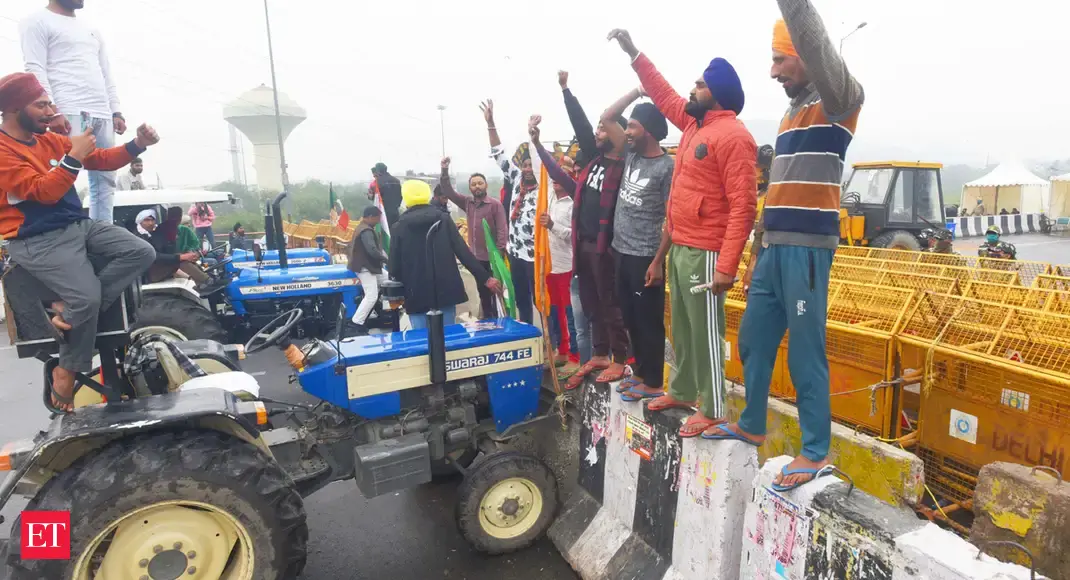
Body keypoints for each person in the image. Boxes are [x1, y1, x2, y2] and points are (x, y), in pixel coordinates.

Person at [713, 3, 866, 492]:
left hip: (806, 251)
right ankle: (751, 423)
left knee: (804, 351)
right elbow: (778, 189)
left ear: (803, 53)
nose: (773, 71)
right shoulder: (789, 112)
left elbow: (814, 38)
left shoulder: (841, 98)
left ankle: (815, 450)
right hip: (774, 248)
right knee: (754, 339)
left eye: (780, 59)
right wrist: (757, 250)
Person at [609, 29, 757, 437]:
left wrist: (726, 266)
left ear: (718, 94)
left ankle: (713, 408)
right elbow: (662, 93)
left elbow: (744, 206)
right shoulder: (694, 124)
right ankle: (683, 391)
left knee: (706, 332)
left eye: (701, 84)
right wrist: (634, 53)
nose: (693, 89)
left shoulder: (734, 137)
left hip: (707, 252)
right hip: (681, 245)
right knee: (685, 330)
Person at [0, 71, 157, 411]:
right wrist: (73, 158)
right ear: (14, 108)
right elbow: (42, 191)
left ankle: (70, 310)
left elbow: (101, 159)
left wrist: (137, 144)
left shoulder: (48, 140)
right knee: (86, 299)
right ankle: (65, 371)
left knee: (140, 251)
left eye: (49, 104)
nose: (50, 111)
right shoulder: (3, 151)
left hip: (77, 226)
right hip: (37, 240)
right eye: (41, 105)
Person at [553, 72, 633, 387]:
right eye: (598, 128)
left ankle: (620, 358)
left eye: (604, 128)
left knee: (611, 303)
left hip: (607, 246)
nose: (598, 132)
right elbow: (581, 125)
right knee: (591, 303)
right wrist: (566, 90)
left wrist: (637, 91)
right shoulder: (594, 159)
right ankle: (599, 353)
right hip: (584, 244)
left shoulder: (624, 162)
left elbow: (598, 123)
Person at [20, 0, 126, 223]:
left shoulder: (92, 29)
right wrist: (52, 110)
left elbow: (105, 71)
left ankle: (102, 232)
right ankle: (63, 232)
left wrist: (115, 110)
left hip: (102, 112)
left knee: (105, 179)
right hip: (68, 110)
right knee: (63, 174)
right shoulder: (37, 21)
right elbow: (34, 67)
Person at [603, 102, 675, 401]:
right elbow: (607, 117)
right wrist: (636, 91)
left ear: (649, 130)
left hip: (645, 256)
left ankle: (654, 382)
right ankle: (641, 374)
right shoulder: (631, 154)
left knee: (648, 321)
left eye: (633, 126)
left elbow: (673, 218)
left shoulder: (667, 167)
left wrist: (658, 261)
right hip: (621, 251)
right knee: (631, 318)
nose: (627, 131)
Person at [388, 180, 503, 329]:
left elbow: (394, 264)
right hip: (445, 289)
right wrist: (485, 278)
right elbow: (462, 251)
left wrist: (395, 294)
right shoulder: (443, 219)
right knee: (448, 335)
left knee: (422, 337)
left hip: (415, 292)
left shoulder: (398, 227)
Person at [481, 99, 538, 325]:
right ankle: (527, 332)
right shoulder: (516, 179)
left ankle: (551, 339)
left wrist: (534, 136)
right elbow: (499, 154)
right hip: (516, 253)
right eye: (525, 165)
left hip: (537, 256)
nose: (527, 169)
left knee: (542, 302)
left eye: (531, 165)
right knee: (521, 299)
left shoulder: (546, 188)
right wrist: (490, 123)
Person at [528, 122, 577, 367]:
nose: (557, 179)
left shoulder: (574, 203)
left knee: (569, 312)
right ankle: (560, 349)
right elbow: (540, 166)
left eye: (563, 174)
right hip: (548, 263)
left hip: (566, 265)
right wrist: (534, 138)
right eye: (556, 175)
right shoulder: (546, 196)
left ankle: (574, 356)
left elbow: (574, 235)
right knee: (553, 310)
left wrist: (552, 226)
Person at [438, 157, 509, 319]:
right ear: (470, 188)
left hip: (493, 259)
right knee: (483, 293)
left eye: (480, 183)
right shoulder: (468, 203)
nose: (477, 186)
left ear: (486, 185)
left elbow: (502, 230)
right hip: (476, 259)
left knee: (497, 294)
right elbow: (448, 191)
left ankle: (500, 321)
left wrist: (498, 255)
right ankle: (488, 322)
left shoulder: (495, 205)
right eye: (474, 184)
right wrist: (444, 169)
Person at [135, 208, 209, 286]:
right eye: (146, 220)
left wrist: (187, 254)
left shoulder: (153, 233)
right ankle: (207, 280)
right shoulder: (138, 236)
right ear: (140, 221)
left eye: (152, 220)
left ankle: (202, 282)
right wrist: (180, 257)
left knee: (183, 259)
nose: (150, 223)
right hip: (145, 275)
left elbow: (165, 250)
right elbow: (154, 256)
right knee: (179, 261)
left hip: (156, 269)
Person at [347, 206, 390, 336]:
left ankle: (383, 310)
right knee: (371, 296)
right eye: (377, 218)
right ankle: (356, 323)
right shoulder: (366, 231)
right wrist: (387, 260)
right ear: (371, 217)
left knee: (390, 280)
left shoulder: (362, 227)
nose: (378, 221)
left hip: (370, 267)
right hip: (365, 268)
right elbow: (372, 251)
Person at [370, 163, 402, 227]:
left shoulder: (378, 182)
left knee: (385, 231)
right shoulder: (396, 181)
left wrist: (370, 196)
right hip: (395, 211)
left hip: (384, 214)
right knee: (394, 229)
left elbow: (376, 198)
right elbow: (400, 196)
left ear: (378, 171)